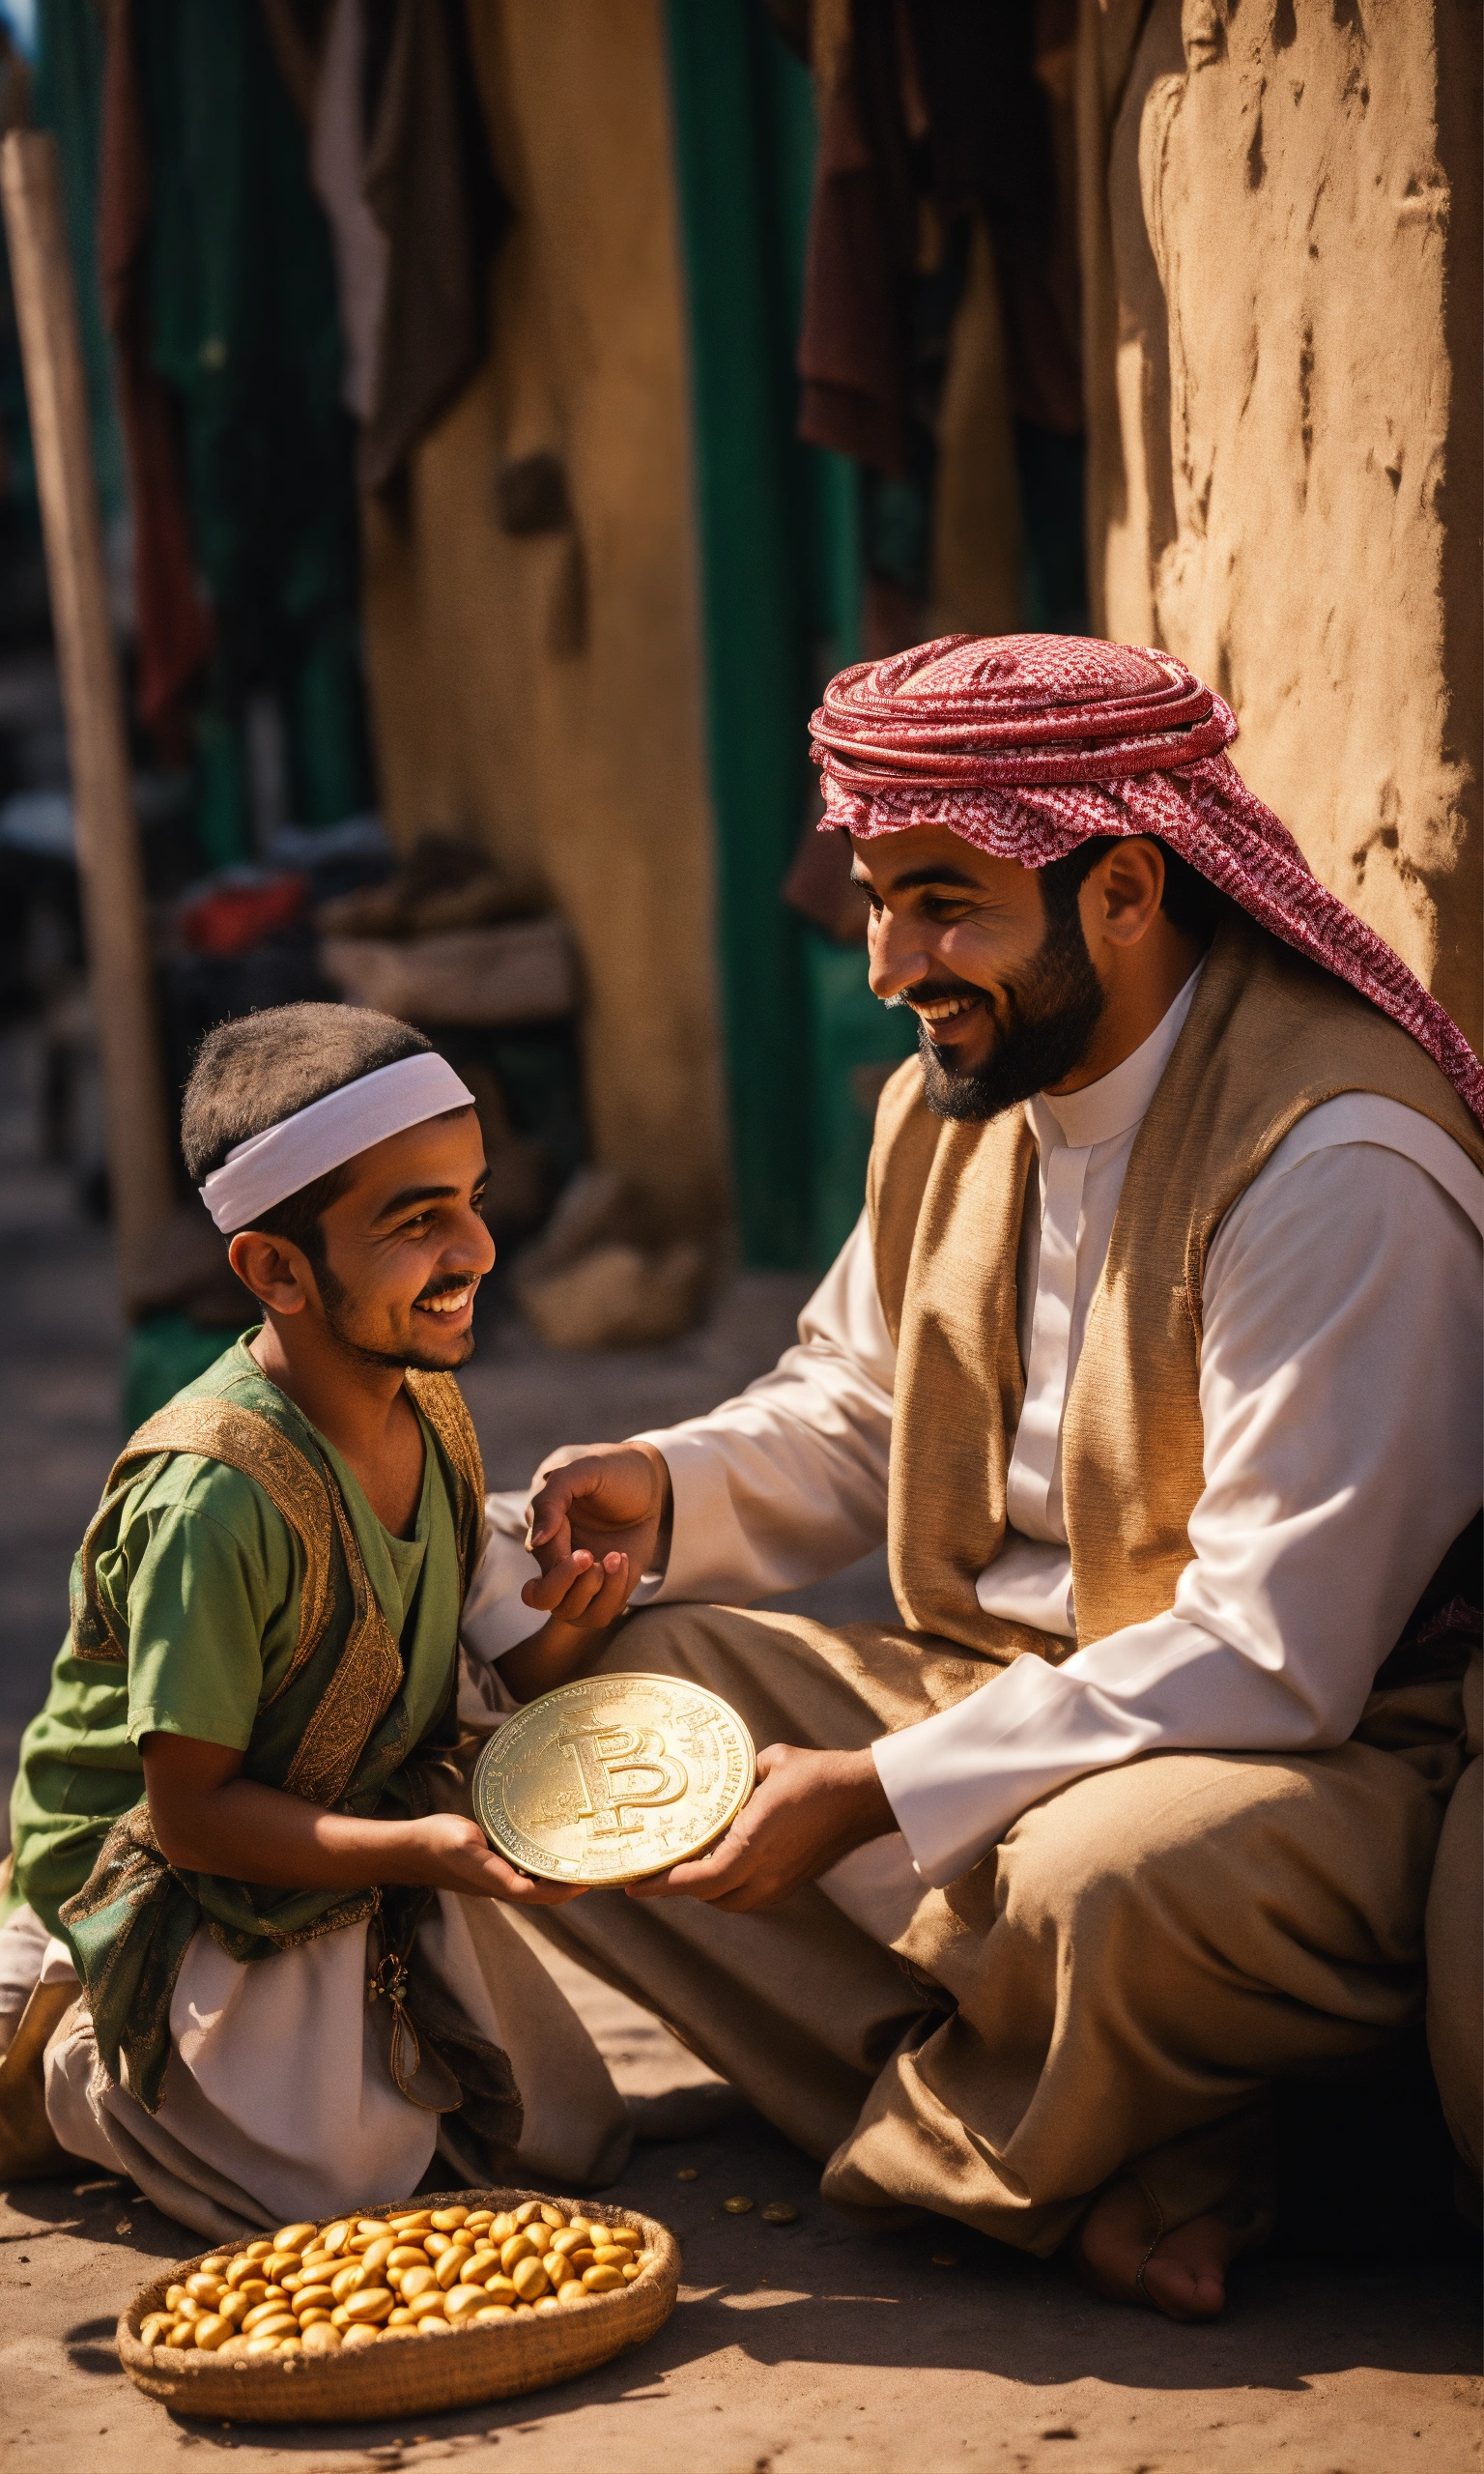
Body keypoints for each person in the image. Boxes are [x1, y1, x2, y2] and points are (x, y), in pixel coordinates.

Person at [460, 634, 1484, 2323]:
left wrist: (877, 1791)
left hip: (1318, 1776)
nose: (890, 964)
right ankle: (1139, 2137)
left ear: (1128, 888)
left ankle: (972, 2150)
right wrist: (666, 1483)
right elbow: (863, 1405)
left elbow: (1271, 1651)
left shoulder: (1336, 1163)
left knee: (1099, 1881)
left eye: (942, 904)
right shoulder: (954, 1102)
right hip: (1003, 1695)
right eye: (875, 901)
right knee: (560, 1717)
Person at [0, 1004, 626, 2238]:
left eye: (474, 1199)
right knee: (334, 2194)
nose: (479, 1251)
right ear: (277, 1270)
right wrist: (424, 1854)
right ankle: (63, 2053)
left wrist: (583, 1619)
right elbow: (193, 1816)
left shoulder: (426, 1405)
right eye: (416, 1222)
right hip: (166, 1876)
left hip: (346, 1823)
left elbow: (453, 1667)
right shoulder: (215, 1501)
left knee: (562, 2136)